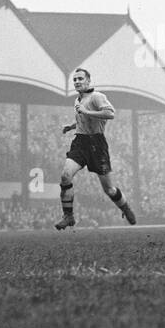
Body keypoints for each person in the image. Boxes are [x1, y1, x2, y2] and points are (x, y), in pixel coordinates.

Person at [55, 67, 137, 229]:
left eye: (80, 79)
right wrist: (71, 126)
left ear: (88, 81)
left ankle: (125, 207)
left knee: (109, 189)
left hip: (96, 144)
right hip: (80, 142)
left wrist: (86, 111)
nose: (77, 82)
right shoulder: (78, 99)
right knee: (65, 176)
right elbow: (83, 118)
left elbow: (110, 113)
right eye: (75, 79)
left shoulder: (97, 97)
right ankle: (68, 216)